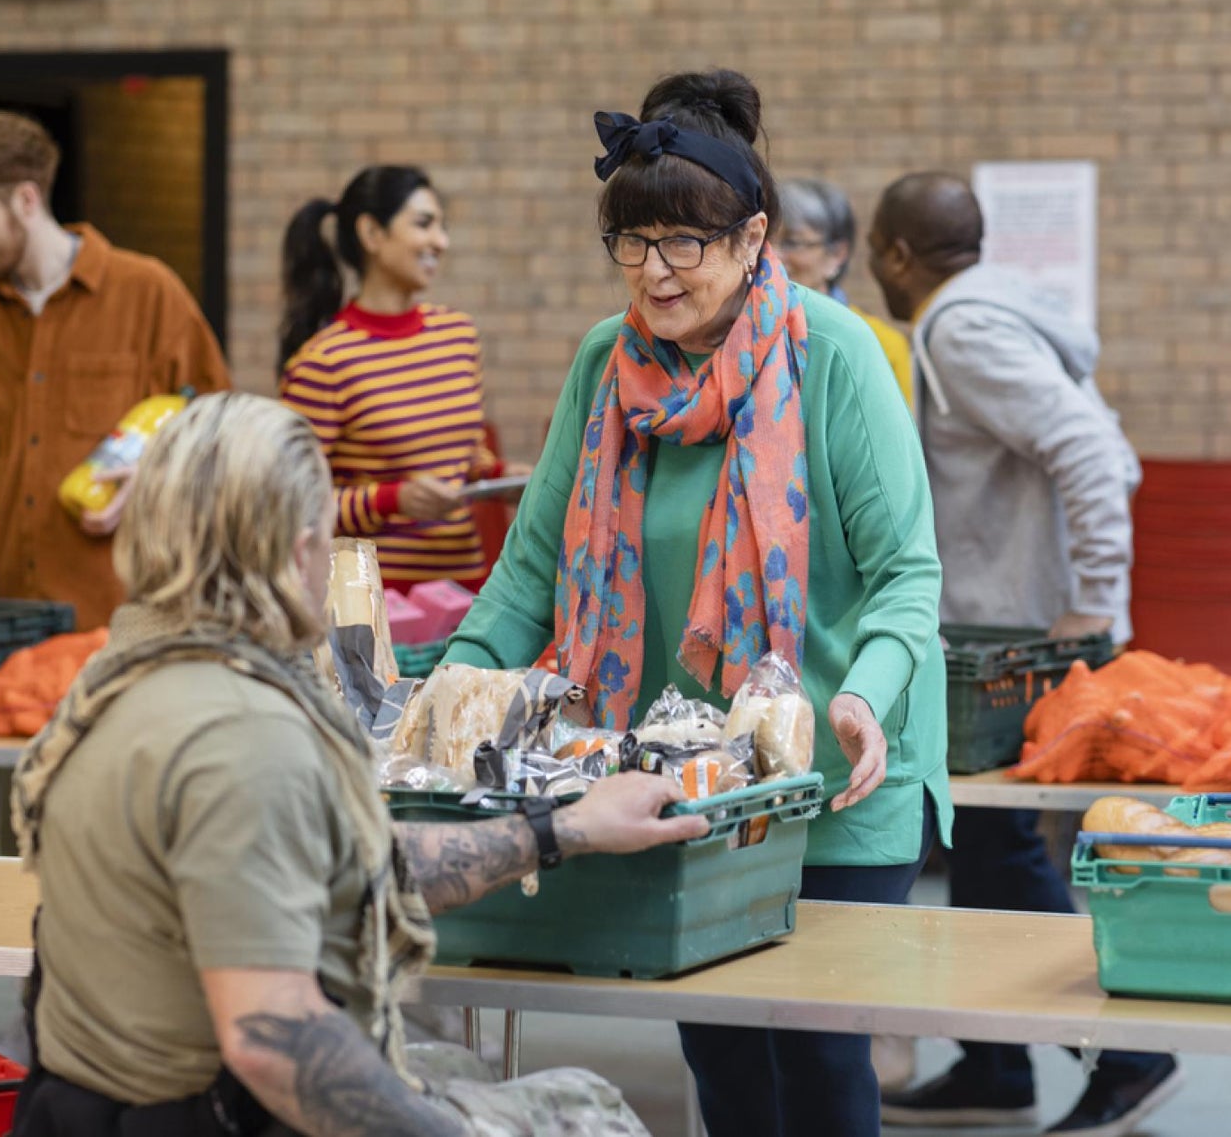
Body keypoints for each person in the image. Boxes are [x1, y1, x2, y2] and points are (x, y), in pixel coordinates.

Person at [444, 68, 951, 1137]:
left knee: (818, 1067)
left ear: (752, 235)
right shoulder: (604, 364)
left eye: (685, 243)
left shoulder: (836, 357)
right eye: (632, 242)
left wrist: (864, 695)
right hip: (685, 776)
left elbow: (908, 571)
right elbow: (534, 569)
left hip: (834, 774)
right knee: (718, 1054)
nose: (656, 271)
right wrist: (448, 681)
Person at [8, 391, 702, 1136]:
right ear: (299, 550)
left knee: (480, 1073)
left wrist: (565, 828)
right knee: (590, 1112)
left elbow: (343, 860)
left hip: (95, 1104)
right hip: (202, 1115)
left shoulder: (123, 677)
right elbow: (278, 1041)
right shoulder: (239, 735)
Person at [868, 172, 1179, 1136]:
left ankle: (1129, 1056)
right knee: (978, 843)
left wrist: (1091, 608)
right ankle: (996, 1063)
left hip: (1021, 640)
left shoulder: (960, 329)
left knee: (997, 848)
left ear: (893, 257)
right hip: (1005, 630)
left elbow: (1091, 451)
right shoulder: (994, 313)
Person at [0, 111, 230, 630]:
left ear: (26, 200)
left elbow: (223, 432)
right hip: (6, 621)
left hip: (126, 621)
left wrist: (153, 480)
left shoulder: (149, 293)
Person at [278, 167, 526, 594]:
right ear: (372, 234)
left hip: (465, 594)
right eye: (424, 224)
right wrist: (391, 500)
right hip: (370, 606)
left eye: (442, 227)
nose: (441, 242)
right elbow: (289, 504)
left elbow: (463, 461)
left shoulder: (458, 335)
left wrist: (501, 477)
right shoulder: (324, 361)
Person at [776, 177, 912, 404]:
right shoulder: (737, 334)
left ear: (837, 254)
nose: (774, 256)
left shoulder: (883, 344)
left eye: (792, 243)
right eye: (763, 241)